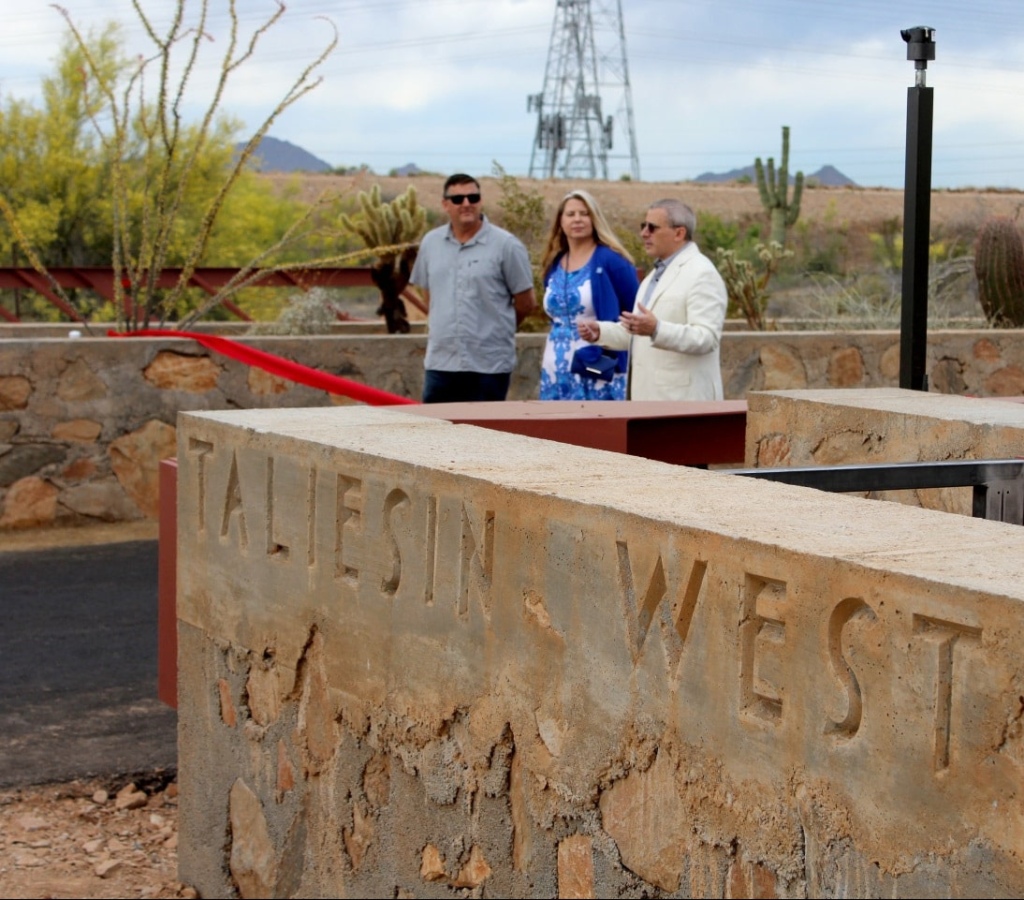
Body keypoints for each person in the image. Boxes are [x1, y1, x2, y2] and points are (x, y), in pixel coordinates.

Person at [579, 198, 727, 401]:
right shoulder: (653, 276)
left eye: (652, 227)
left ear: (679, 233)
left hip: (684, 404)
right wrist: (601, 331)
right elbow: (639, 334)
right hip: (649, 402)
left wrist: (657, 329)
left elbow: (707, 338)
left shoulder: (702, 273)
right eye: (643, 226)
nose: (644, 233)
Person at [410, 173, 536, 403]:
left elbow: (526, 302)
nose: (466, 204)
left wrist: (497, 329)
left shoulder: (506, 246)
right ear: (445, 205)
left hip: (488, 366)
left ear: (480, 201)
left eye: (473, 197)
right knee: (435, 436)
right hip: (441, 363)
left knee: (484, 437)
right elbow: (429, 295)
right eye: (458, 199)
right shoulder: (430, 243)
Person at [537, 190, 639, 400]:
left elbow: (634, 311)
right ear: (560, 222)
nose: (577, 219)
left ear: (594, 219)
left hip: (598, 364)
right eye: (571, 214)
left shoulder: (612, 261)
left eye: (584, 214)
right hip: (555, 365)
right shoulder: (554, 264)